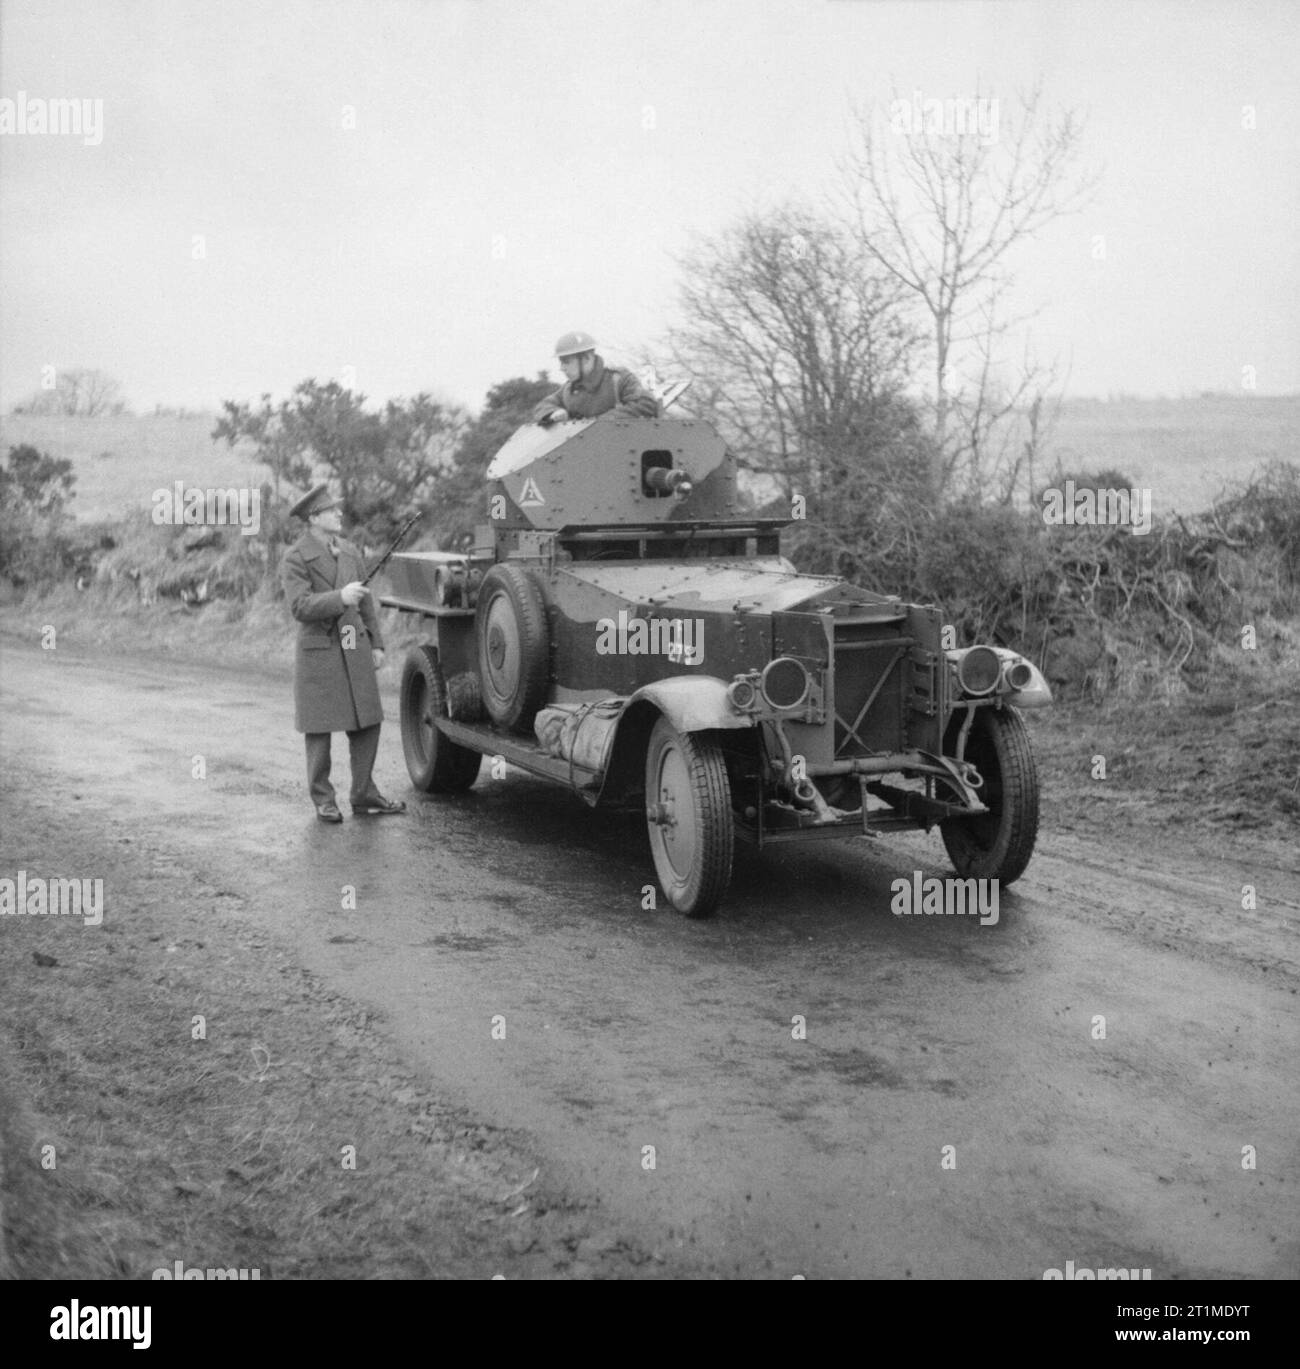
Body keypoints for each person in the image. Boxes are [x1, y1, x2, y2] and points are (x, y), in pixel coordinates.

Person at [280, 484, 406, 822]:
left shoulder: (350, 551)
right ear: (314, 518)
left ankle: (364, 795)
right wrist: (340, 598)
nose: (339, 514)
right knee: (319, 728)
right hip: (319, 647)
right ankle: (323, 798)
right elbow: (300, 606)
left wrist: (377, 644)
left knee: (368, 721)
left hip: (352, 640)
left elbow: (365, 603)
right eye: (331, 510)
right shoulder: (295, 557)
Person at [532, 331, 660, 423]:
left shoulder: (619, 380)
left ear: (586, 359)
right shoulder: (568, 389)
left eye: (566, 362)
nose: (562, 368)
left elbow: (646, 405)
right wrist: (553, 412)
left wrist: (599, 423)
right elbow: (543, 406)